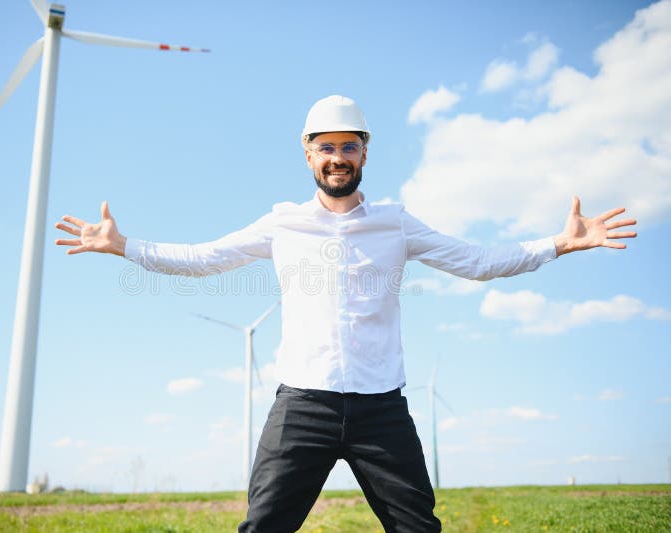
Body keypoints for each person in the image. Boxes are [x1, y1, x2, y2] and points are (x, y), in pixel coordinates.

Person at [55, 95, 637, 532]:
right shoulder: (282, 221)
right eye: (326, 147)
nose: (338, 158)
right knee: (262, 529)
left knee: (418, 529)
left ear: (365, 151)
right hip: (301, 406)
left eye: (348, 146)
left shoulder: (397, 222)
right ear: (308, 153)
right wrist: (124, 245)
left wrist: (558, 244)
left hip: (381, 409)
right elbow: (203, 259)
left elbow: (479, 261)